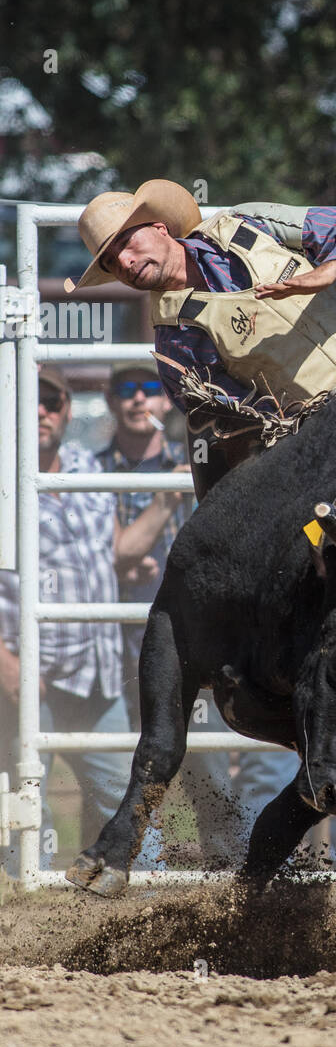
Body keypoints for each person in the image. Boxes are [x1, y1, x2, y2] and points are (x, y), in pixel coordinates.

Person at [96, 362, 296, 863]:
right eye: (127, 390)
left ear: (165, 402)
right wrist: (161, 508)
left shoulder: (202, 463)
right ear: (110, 400)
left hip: (186, 634)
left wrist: (140, 545)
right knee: (120, 762)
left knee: (203, 759)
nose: (139, 399)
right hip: (116, 639)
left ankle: (227, 859)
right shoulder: (99, 469)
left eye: (148, 390)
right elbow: (116, 553)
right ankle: (148, 868)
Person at [0, 366, 162, 875]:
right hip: (32, 674)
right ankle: (23, 916)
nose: (43, 411)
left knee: (126, 801)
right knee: (29, 803)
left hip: (97, 673)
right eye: (32, 401)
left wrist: (169, 495)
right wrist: (4, 661)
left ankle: (137, 909)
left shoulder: (87, 467)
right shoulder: (2, 478)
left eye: (53, 401)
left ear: (68, 409)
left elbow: (114, 550)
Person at [69, 182, 336, 415]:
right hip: (329, 420)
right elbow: (242, 421)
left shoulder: (247, 224)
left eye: (127, 242)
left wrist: (330, 270)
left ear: (160, 228)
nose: (124, 263)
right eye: (110, 262)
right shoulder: (174, 343)